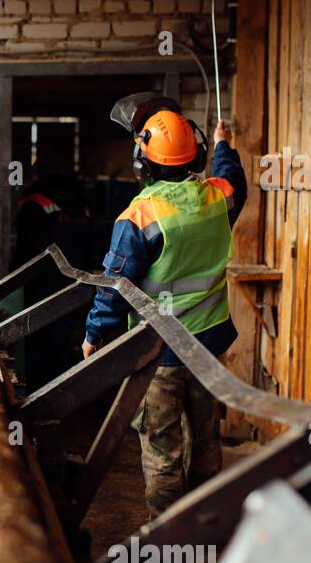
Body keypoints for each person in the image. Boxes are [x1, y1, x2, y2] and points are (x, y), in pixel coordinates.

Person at [82, 110, 247, 516]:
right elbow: (233, 178)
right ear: (197, 157)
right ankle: (206, 523)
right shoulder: (220, 197)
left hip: (159, 354)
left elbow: (115, 286)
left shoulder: (138, 217)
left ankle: (170, 535)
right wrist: (224, 144)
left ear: (142, 163)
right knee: (206, 439)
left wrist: (94, 334)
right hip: (209, 348)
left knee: (162, 447)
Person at [14, 155, 87, 389]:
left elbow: (27, 250)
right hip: (75, 280)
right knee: (63, 342)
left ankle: (39, 399)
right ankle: (66, 396)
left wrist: (12, 276)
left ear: (37, 176)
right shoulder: (80, 199)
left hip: (41, 283)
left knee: (38, 342)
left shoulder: (34, 203)